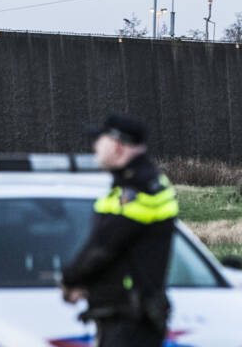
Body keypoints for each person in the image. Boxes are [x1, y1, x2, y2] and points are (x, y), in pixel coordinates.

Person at [60, 114, 179, 347]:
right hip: (123, 317)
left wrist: (71, 279)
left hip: (130, 321)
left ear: (116, 146)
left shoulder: (140, 189)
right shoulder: (134, 184)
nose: (95, 147)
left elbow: (105, 244)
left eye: (99, 140)